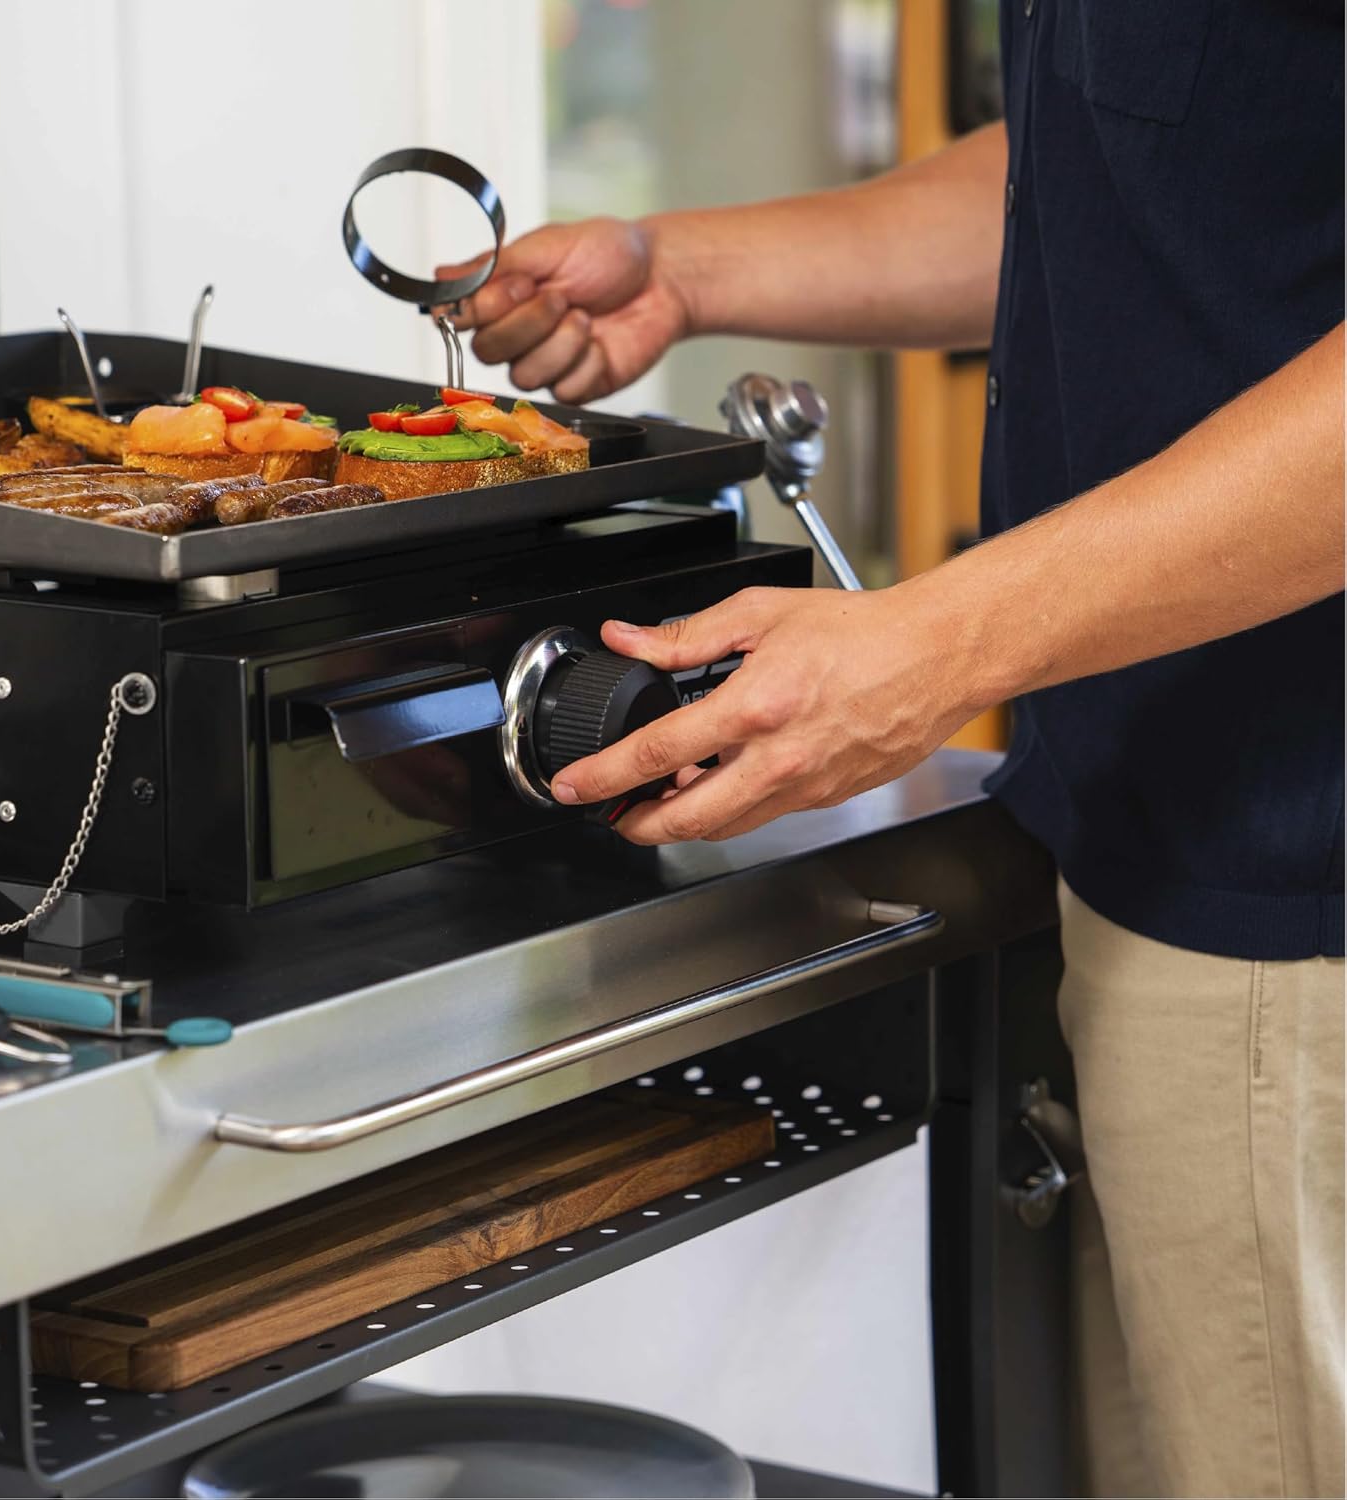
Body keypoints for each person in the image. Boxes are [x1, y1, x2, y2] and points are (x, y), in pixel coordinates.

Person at [443, 4, 1345, 1497]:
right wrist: (690, 272)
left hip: (1296, 906)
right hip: (1144, 843)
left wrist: (945, 646)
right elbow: (1143, 175)